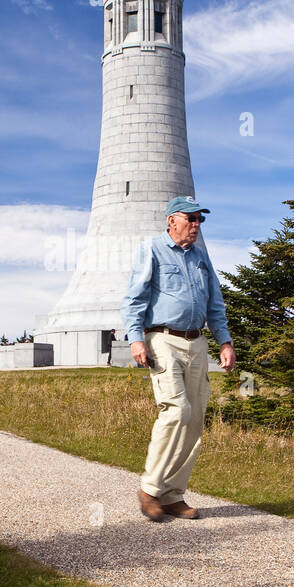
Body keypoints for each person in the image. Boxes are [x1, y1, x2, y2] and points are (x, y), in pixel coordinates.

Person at [121, 196, 236, 521]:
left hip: (197, 342)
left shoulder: (201, 256)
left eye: (201, 220)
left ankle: (172, 495)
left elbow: (215, 302)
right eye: (192, 218)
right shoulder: (152, 250)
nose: (197, 225)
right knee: (176, 411)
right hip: (162, 338)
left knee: (195, 418)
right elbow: (134, 298)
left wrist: (224, 342)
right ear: (172, 220)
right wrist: (136, 339)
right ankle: (150, 488)